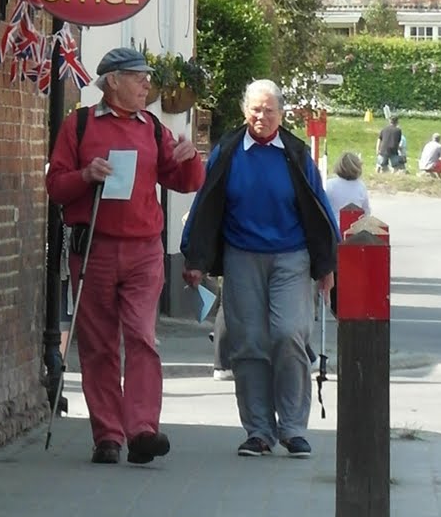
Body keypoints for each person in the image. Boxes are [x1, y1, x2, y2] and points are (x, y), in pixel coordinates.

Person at [45, 46, 204, 466]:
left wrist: (189, 161)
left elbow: (182, 180)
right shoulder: (78, 125)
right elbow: (56, 186)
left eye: (147, 76)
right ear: (112, 81)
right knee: (97, 344)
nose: (146, 83)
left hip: (144, 250)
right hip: (93, 246)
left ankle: (142, 430)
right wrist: (85, 175)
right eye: (138, 76)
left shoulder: (152, 127)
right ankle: (108, 436)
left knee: (141, 336)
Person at [180, 79, 339, 459]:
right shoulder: (229, 150)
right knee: (248, 342)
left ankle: (293, 428)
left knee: (288, 334)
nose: (261, 117)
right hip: (241, 256)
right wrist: (196, 260)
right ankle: (259, 431)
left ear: (281, 114)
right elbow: (206, 203)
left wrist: (326, 265)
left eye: (269, 110)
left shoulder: (296, 153)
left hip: (292, 256)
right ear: (243, 111)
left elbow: (319, 210)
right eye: (255, 109)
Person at [324, 150, 371, 225]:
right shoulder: (361, 186)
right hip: (354, 228)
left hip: (333, 227)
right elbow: (366, 212)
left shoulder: (329, 185)